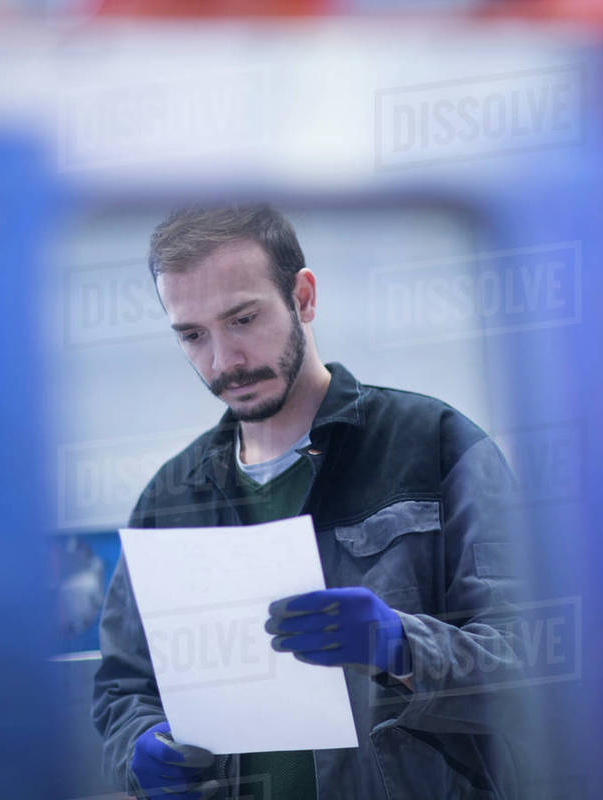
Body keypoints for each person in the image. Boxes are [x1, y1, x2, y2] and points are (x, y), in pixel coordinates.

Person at [91, 205, 533, 800]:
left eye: (243, 319)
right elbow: (125, 687)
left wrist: (403, 646)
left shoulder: (438, 447)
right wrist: (139, 746)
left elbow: (538, 671)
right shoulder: (169, 500)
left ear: (302, 297)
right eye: (193, 335)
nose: (223, 362)